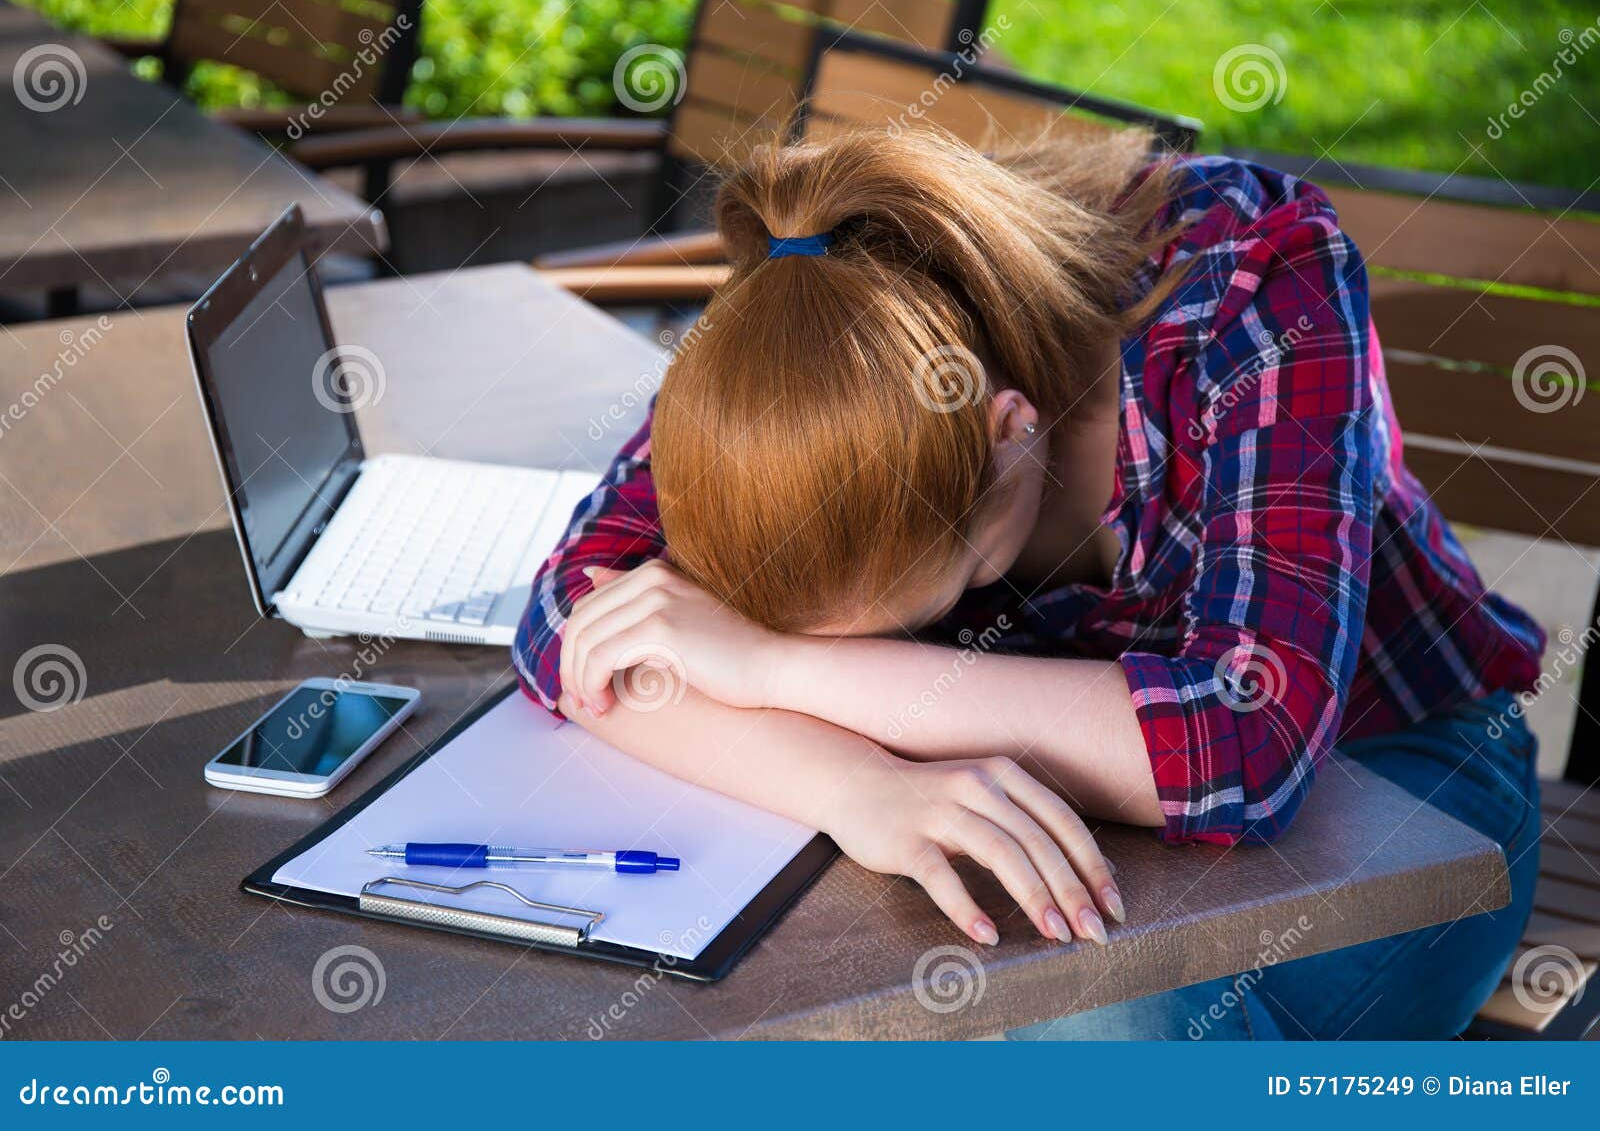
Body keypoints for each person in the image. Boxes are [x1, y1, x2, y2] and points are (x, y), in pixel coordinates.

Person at [512, 125, 1544, 1038]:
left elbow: (1245, 738)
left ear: (1010, 435)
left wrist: (763, 664)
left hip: (1392, 791)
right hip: (1059, 805)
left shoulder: (1251, 282)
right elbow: (571, 625)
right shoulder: (809, 305)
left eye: (877, 628)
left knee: (1089, 1019)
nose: (821, 659)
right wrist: (849, 784)